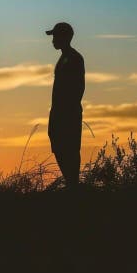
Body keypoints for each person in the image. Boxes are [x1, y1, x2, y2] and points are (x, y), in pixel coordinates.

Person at [46, 22, 85, 189]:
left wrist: (67, 110)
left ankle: (73, 184)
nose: (53, 40)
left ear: (65, 37)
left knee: (69, 147)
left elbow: (79, 88)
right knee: (58, 144)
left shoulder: (75, 58)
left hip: (68, 112)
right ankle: (71, 183)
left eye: (55, 36)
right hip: (58, 111)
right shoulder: (63, 58)